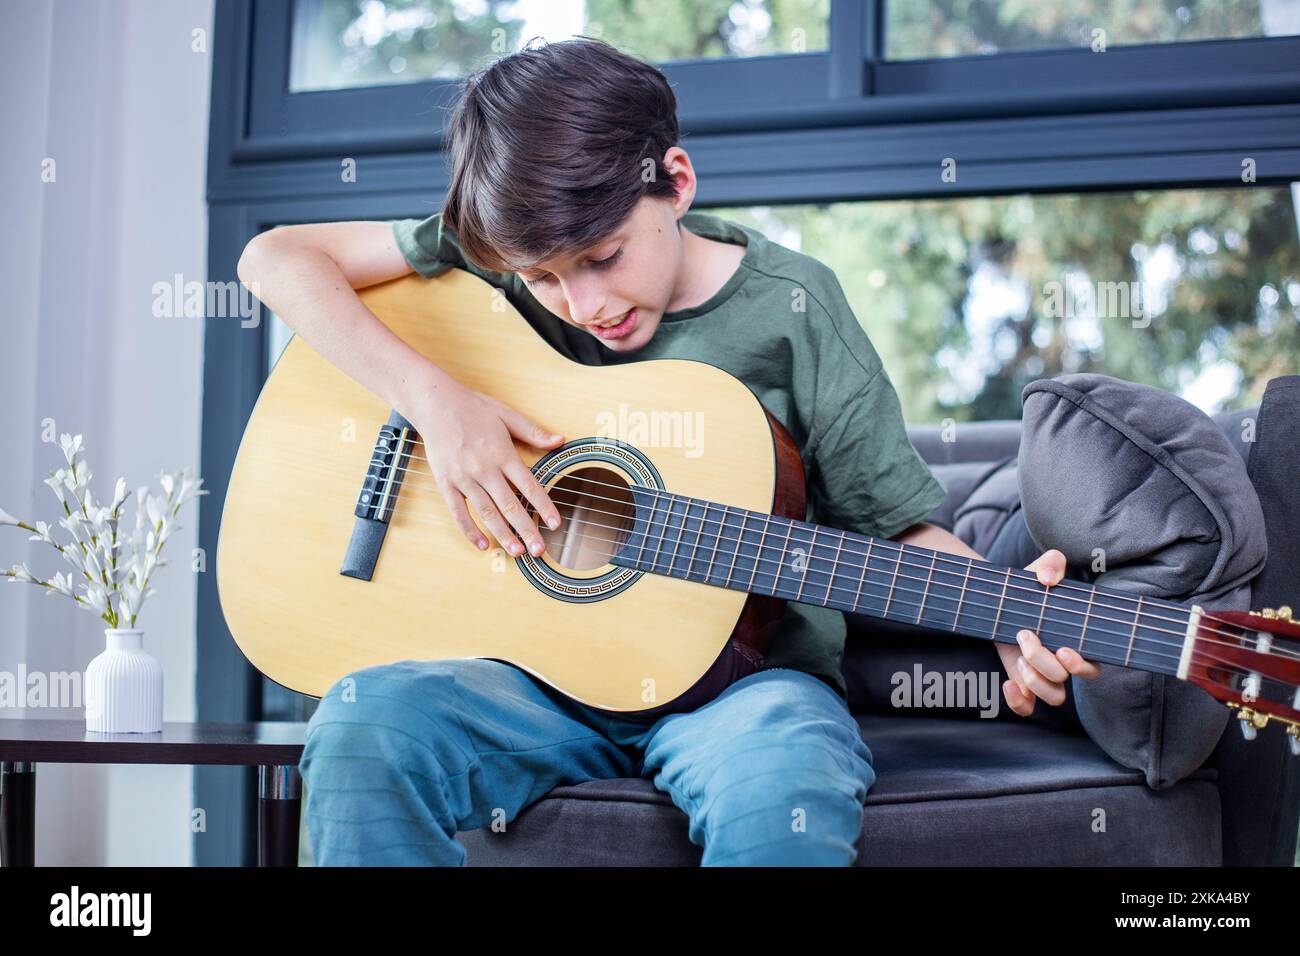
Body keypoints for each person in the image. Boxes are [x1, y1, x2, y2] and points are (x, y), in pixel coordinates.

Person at [236, 38, 1100, 866]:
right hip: (527, 686)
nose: (580, 303)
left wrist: (1002, 613)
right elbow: (274, 259)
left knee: (781, 796)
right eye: (544, 278)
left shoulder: (795, 308)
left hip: (744, 688)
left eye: (604, 258)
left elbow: (896, 531)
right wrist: (439, 405)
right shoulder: (514, 244)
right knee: (360, 725)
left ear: (675, 183)